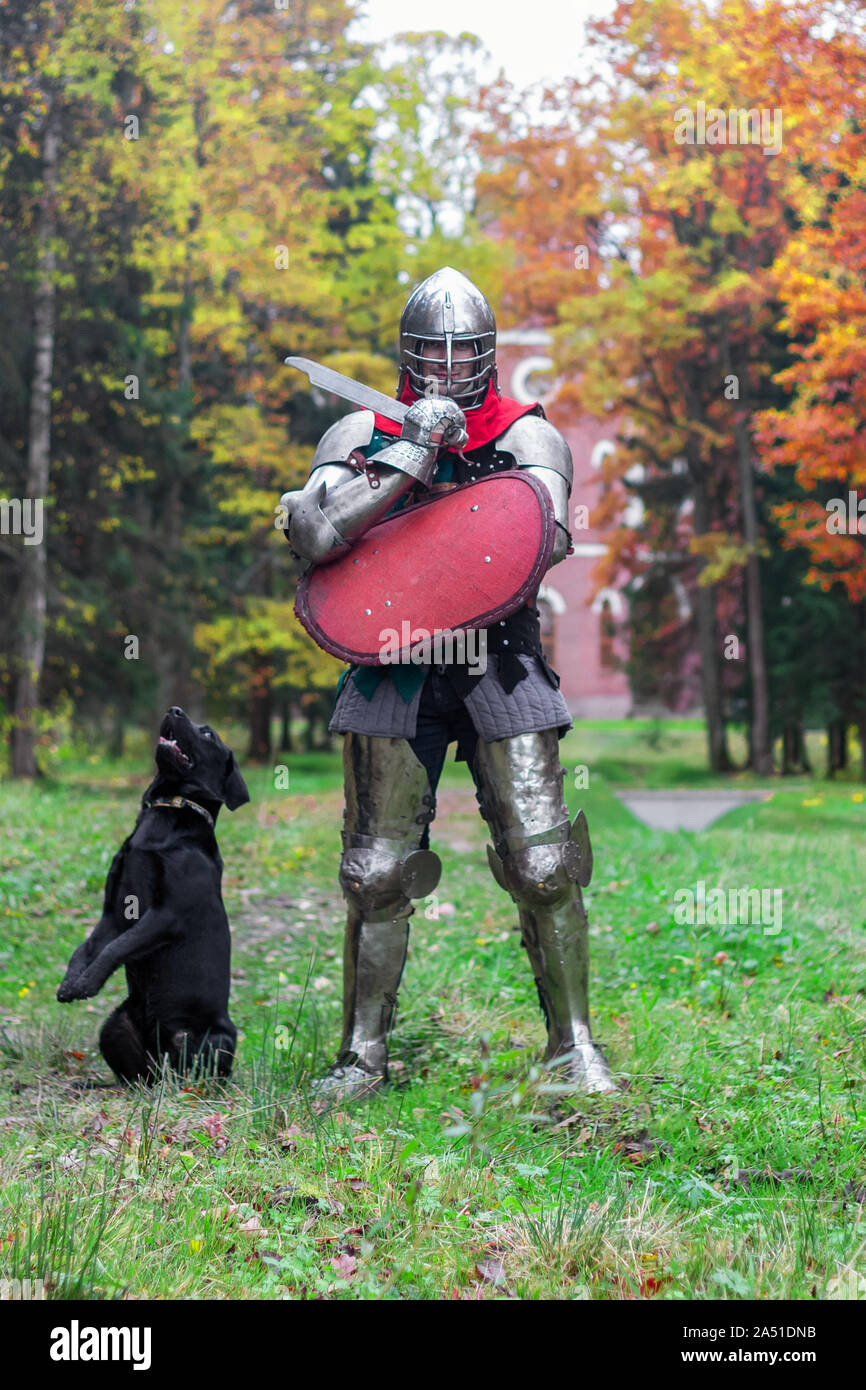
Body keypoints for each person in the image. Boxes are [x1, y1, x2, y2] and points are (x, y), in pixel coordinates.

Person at [279, 267, 615, 1099]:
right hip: (391, 659)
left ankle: (572, 1051)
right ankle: (362, 1055)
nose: (448, 367)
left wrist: (455, 465)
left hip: (498, 653)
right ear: (407, 354)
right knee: (375, 870)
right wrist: (410, 453)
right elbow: (314, 535)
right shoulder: (361, 429)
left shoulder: (530, 435)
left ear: (489, 357)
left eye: (465, 352)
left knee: (543, 862)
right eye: (431, 352)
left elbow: (539, 538)